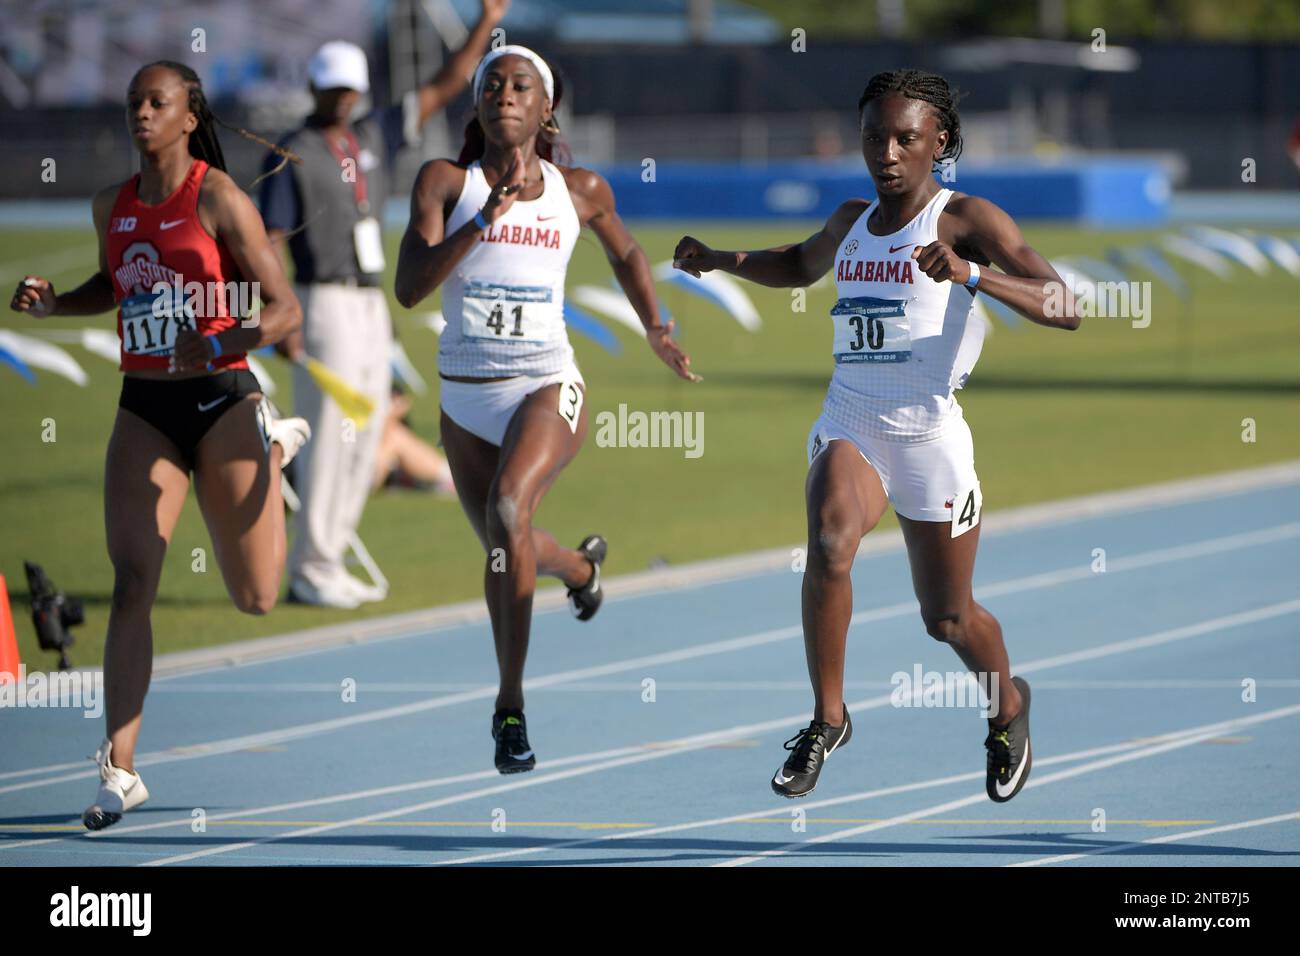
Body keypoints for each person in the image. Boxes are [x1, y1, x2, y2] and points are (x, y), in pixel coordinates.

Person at [673, 69, 1079, 802]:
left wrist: (970, 276)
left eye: (904, 138)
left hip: (928, 435)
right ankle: (828, 719)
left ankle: (1008, 707)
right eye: (873, 137)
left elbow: (1064, 304)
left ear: (940, 142)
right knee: (830, 541)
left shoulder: (967, 221)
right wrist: (720, 260)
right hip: (853, 418)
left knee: (948, 619)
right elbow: (798, 263)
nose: (886, 153)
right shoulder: (851, 220)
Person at [9, 61, 310, 829]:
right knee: (133, 578)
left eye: (157, 102)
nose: (141, 113)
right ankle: (121, 765)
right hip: (144, 405)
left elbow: (281, 310)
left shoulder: (216, 197)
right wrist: (54, 306)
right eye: (134, 102)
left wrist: (213, 350)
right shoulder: (110, 202)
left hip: (223, 400)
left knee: (256, 596)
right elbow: (114, 284)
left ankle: (273, 451)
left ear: (187, 115)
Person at [395, 45, 698, 773]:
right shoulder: (445, 183)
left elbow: (626, 253)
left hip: (546, 385)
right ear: (476, 105)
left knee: (508, 512)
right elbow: (409, 287)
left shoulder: (580, 188)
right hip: (465, 398)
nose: (505, 93)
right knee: (509, 546)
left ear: (545, 107)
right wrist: (482, 223)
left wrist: (656, 323)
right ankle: (582, 573)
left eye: (520, 85)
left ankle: (509, 708)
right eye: (492, 85)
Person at [260, 0, 509, 609]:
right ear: (317, 88)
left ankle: (331, 555)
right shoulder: (291, 153)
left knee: (366, 431)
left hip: (370, 303)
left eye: (352, 89)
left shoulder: (371, 132)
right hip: (321, 301)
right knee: (330, 434)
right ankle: (310, 566)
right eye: (334, 88)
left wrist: (485, 21)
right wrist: (280, 313)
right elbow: (268, 242)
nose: (344, 98)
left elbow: (448, 83)